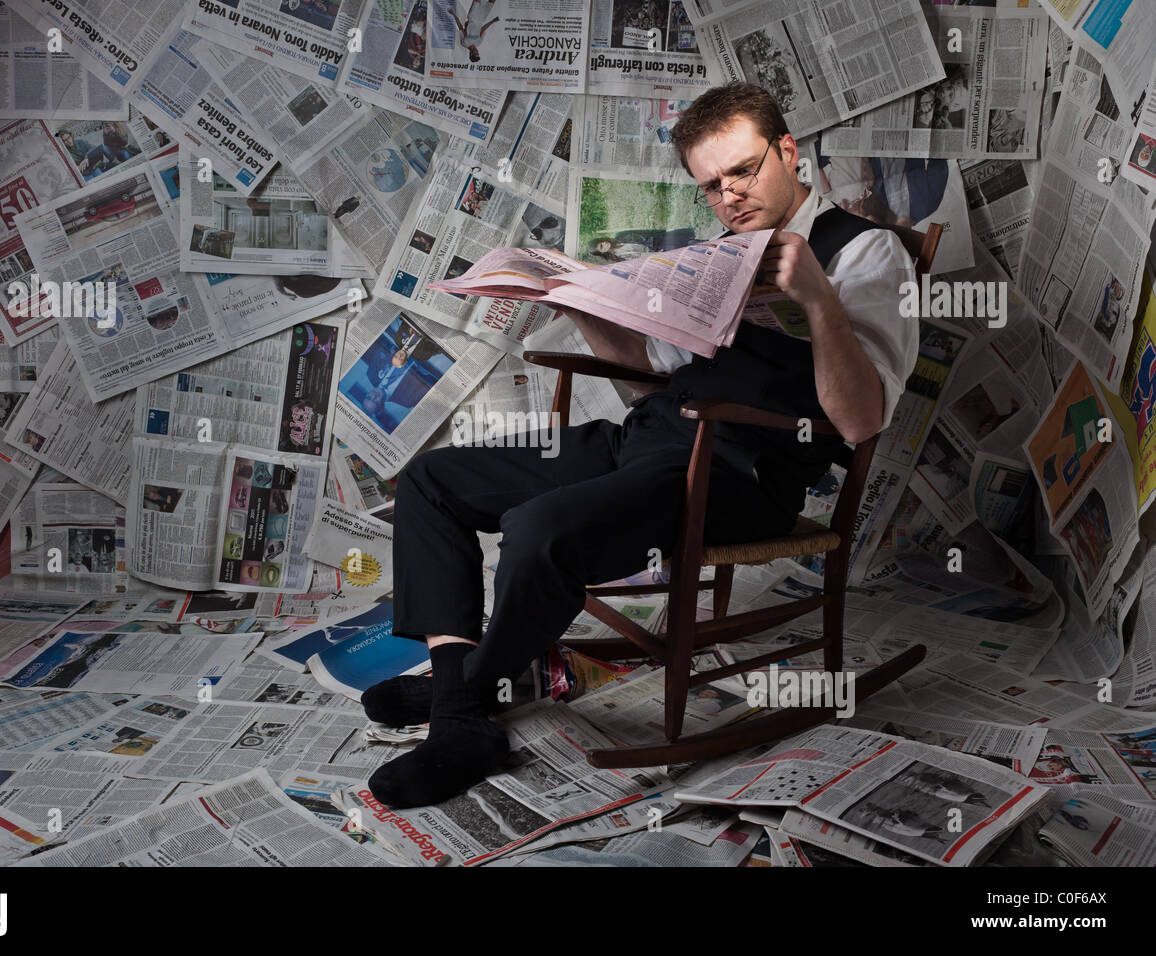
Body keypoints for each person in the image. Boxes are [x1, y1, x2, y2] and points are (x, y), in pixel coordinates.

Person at [361, 83, 918, 809]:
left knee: (540, 529)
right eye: (712, 186)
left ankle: (461, 713)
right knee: (434, 478)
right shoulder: (719, 255)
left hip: (740, 475)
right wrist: (577, 301)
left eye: (744, 171)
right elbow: (642, 384)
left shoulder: (866, 251)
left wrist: (817, 300)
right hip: (652, 438)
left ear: (788, 152)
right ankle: (462, 676)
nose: (731, 197)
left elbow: (862, 420)